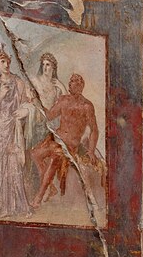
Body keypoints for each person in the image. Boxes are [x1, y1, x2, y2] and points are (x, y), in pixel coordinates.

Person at [30, 73, 100, 208]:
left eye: (73, 82)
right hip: (56, 138)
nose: (70, 84)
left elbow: (94, 130)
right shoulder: (63, 100)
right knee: (35, 154)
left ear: (80, 86)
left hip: (70, 144)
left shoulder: (87, 106)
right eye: (70, 81)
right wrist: (37, 102)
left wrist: (91, 151)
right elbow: (50, 116)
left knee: (55, 159)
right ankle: (50, 187)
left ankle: (39, 196)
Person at [0, 45, 30, 217]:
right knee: (2, 168)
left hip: (13, 127)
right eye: (2, 62)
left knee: (14, 166)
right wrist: (1, 95)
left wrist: (26, 107)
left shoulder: (18, 82)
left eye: (7, 61)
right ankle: (5, 207)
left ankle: (21, 206)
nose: (6, 65)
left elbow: (27, 103)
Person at [26, 52, 67, 147]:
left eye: (48, 65)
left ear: (53, 67)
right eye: (43, 64)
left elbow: (66, 104)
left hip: (51, 122)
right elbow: (28, 97)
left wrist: (62, 87)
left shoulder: (56, 86)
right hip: (37, 119)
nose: (45, 67)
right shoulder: (35, 81)